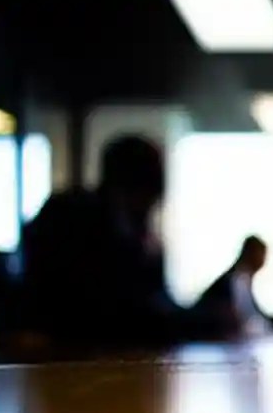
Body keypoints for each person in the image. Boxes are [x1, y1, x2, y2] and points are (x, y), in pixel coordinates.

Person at [20, 135, 187, 344]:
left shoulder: (127, 227)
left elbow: (154, 304)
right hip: (72, 354)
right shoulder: (73, 219)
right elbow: (113, 313)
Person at [193, 235, 270, 338]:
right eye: (262, 254)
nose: (263, 260)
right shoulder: (234, 281)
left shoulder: (245, 280)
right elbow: (235, 318)